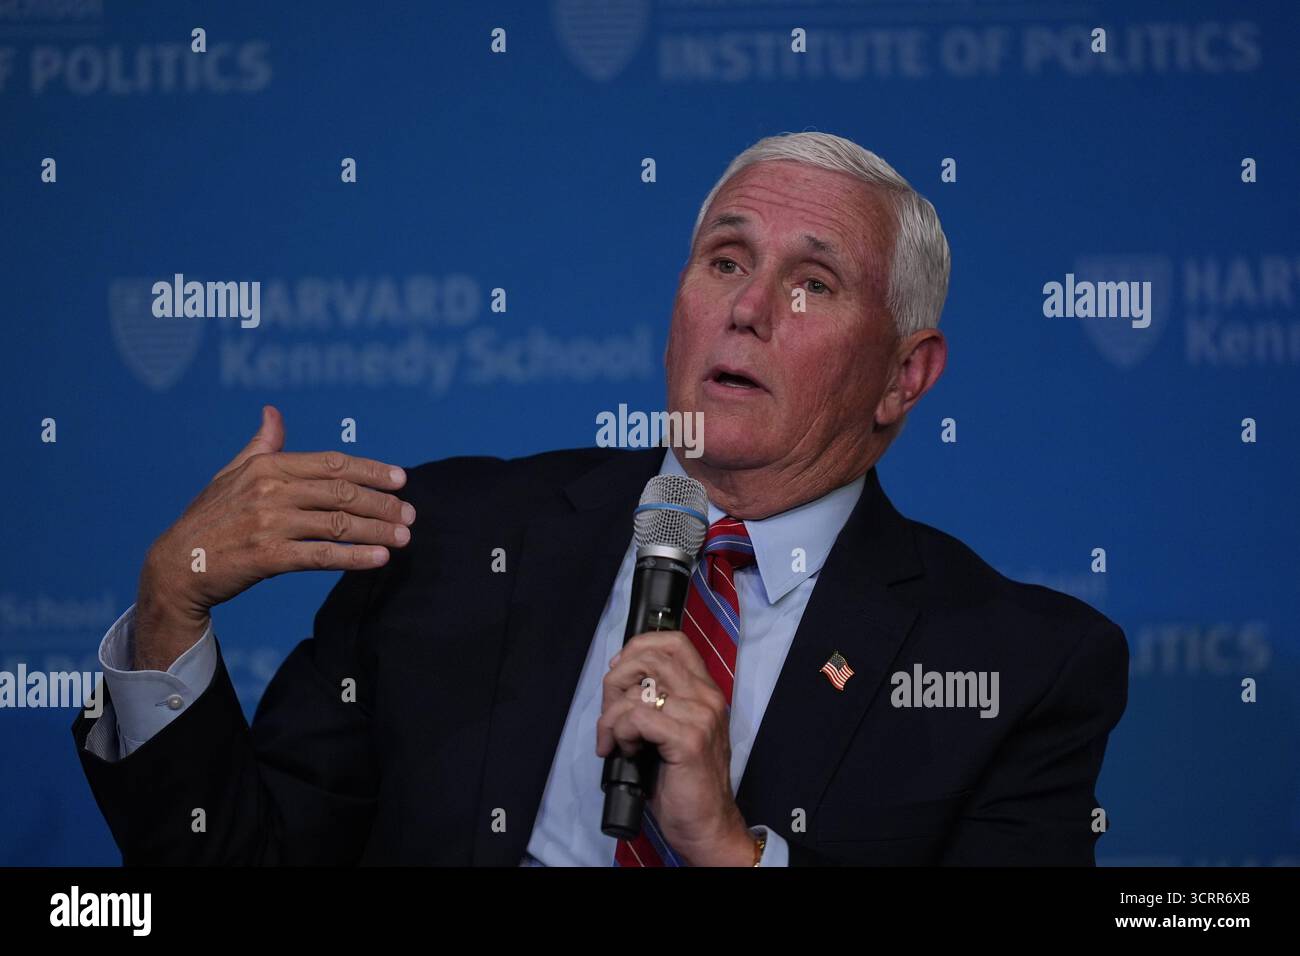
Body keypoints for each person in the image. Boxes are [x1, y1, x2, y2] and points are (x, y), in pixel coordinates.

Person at [72, 131, 1128, 866]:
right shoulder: (448, 542)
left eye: (811, 283)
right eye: (725, 260)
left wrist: (729, 846)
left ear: (905, 376)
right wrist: (169, 612)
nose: (749, 308)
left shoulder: (1018, 664)